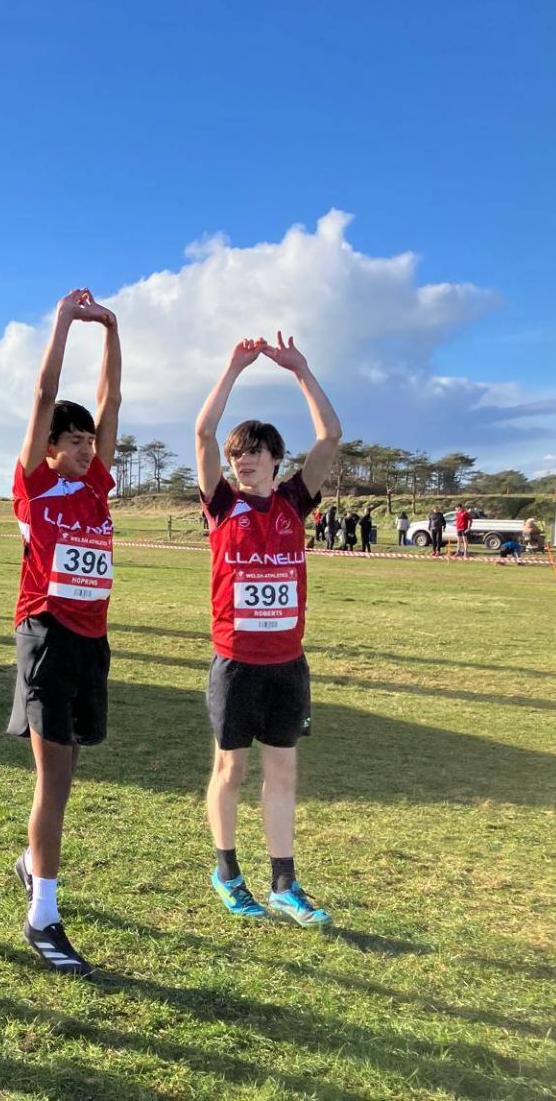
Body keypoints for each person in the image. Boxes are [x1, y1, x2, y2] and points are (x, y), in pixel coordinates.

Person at [195, 331, 341, 928]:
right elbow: (202, 434)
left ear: (276, 459)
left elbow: (330, 437)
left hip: (287, 664)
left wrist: (301, 369)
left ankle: (285, 881)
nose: (243, 459)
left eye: (254, 451)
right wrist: (231, 368)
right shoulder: (221, 504)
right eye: (237, 455)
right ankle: (227, 871)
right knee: (230, 769)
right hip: (235, 663)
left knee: (283, 771)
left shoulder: (292, 504)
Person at [8, 287, 120, 976]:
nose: (83, 450)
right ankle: (43, 916)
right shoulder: (33, 487)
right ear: (48, 450)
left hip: (92, 642)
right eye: (71, 443)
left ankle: (30, 864)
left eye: (87, 443)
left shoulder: (98, 488)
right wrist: (63, 323)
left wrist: (111, 329)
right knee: (52, 785)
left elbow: (110, 403)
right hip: (46, 636)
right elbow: (46, 390)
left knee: (68, 776)